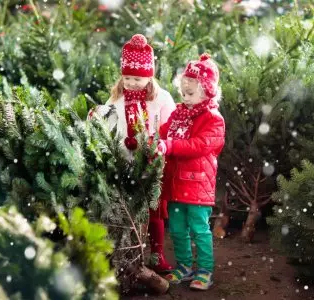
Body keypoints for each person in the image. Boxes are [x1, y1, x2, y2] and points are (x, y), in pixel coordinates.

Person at [88, 34, 176, 273]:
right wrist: (97, 115)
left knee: (154, 210)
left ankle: (157, 254)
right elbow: (108, 117)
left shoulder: (162, 99)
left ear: (149, 76)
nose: (131, 83)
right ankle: (128, 254)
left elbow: (171, 126)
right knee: (127, 209)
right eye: (127, 77)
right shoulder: (118, 96)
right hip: (125, 161)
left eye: (137, 78)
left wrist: (156, 144)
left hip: (151, 162)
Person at [157, 53, 226, 290]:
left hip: (197, 185)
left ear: (207, 91)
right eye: (183, 93)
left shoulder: (213, 119)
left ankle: (205, 270)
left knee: (199, 229)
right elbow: (164, 132)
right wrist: (155, 140)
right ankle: (184, 266)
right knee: (176, 229)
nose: (185, 99)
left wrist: (170, 145)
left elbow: (200, 146)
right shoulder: (179, 114)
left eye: (190, 94)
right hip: (176, 184)